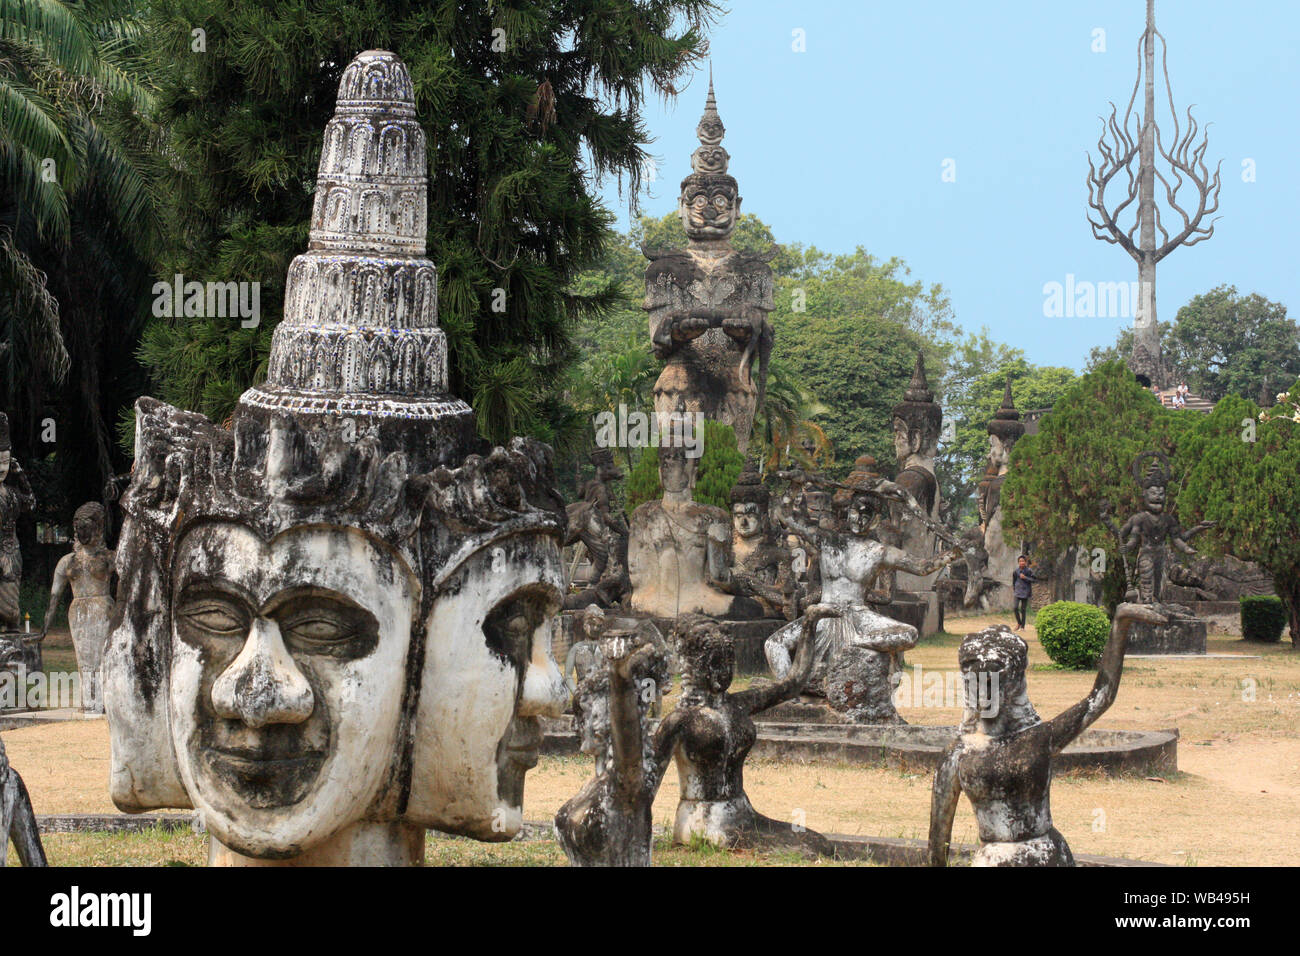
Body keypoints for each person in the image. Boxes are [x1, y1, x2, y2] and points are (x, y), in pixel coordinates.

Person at [1010, 555, 1040, 630]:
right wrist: (1014, 588)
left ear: (1025, 562)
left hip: (1025, 592)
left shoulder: (1029, 571)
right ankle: (1019, 623)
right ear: (1018, 562)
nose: (1021, 563)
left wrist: (1025, 577)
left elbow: (1034, 580)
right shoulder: (1015, 572)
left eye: (1023, 561)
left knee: (1023, 609)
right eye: (1020, 561)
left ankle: (1022, 627)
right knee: (1015, 607)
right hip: (1017, 592)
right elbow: (1014, 581)